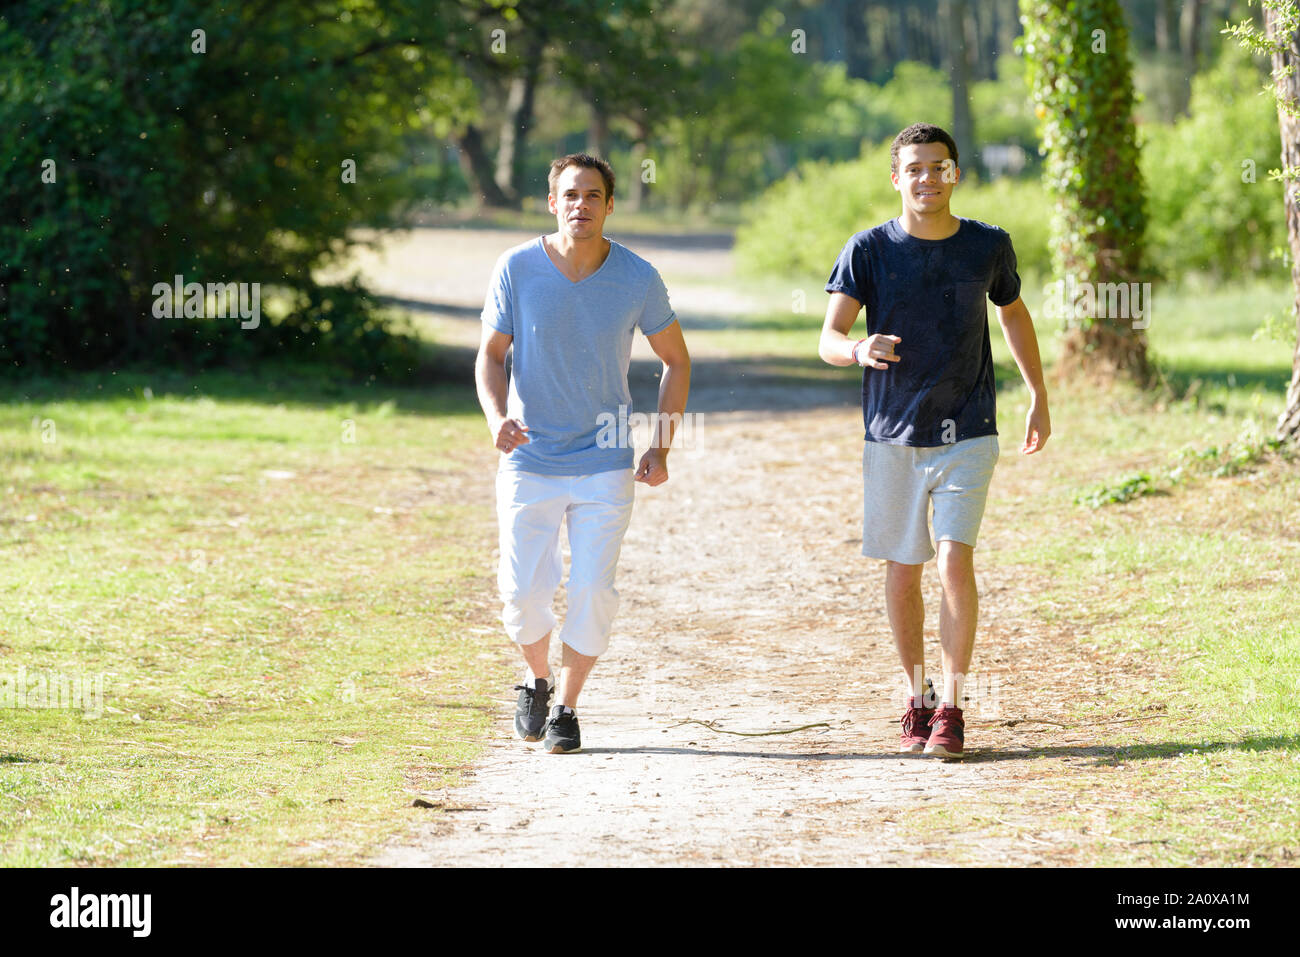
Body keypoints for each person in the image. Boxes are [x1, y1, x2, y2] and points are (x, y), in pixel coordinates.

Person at [818, 123, 1050, 759]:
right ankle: (914, 696)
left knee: (954, 559)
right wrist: (857, 348)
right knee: (903, 569)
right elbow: (828, 338)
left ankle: (951, 706)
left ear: (956, 175)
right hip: (891, 434)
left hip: (969, 430)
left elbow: (1014, 314)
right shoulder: (868, 249)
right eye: (914, 168)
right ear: (897, 178)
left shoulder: (988, 246)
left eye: (939, 167)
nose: (927, 178)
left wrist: (1037, 392)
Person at [475, 153, 691, 754]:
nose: (580, 206)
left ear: (609, 205)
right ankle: (536, 681)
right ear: (552, 202)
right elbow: (491, 354)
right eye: (569, 195)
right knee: (522, 593)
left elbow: (676, 360)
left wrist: (661, 447)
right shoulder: (515, 267)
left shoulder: (637, 276)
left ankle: (568, 706)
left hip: (604, 458)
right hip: (529, 457)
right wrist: (497, 418)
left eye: (593, 196)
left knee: (594, 587)